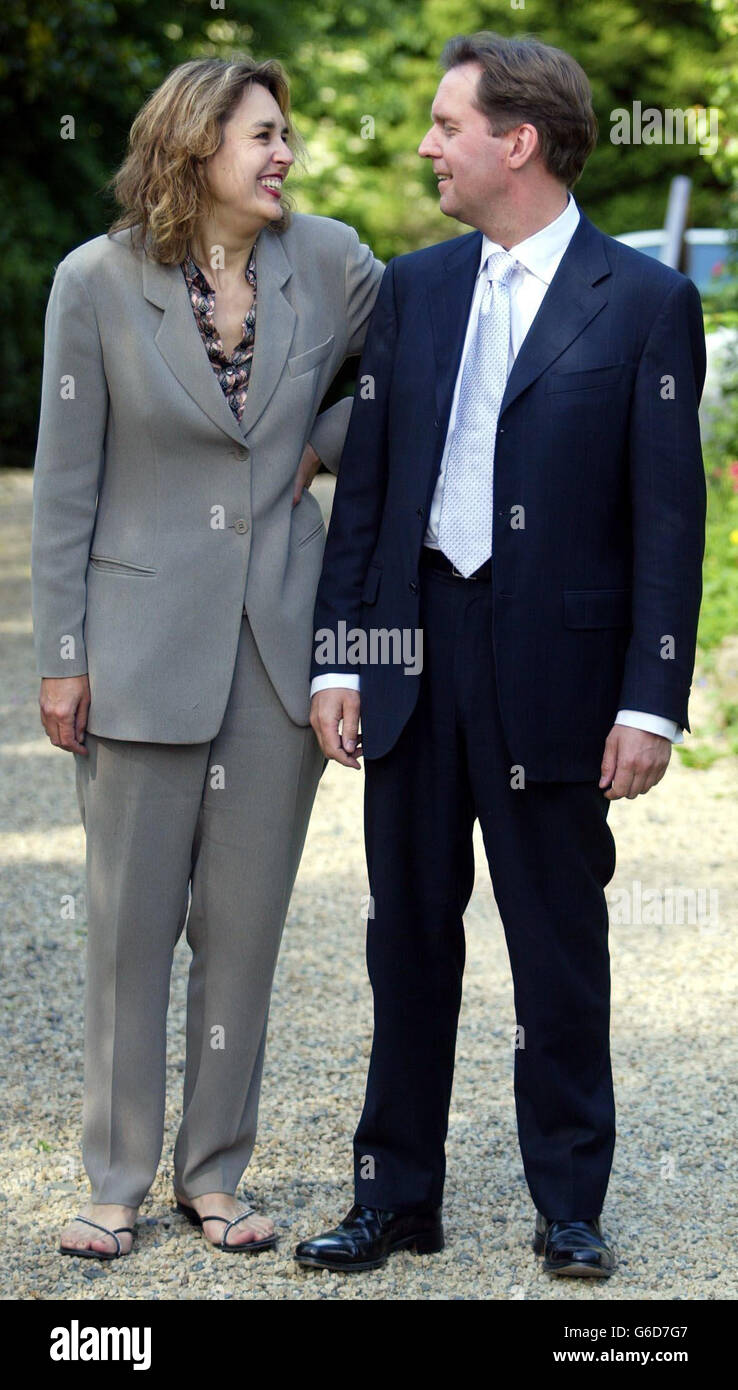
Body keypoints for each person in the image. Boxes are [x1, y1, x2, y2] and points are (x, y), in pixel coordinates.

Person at [297, 31, 706, 1277]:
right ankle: (394, 1196)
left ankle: (571, 1204)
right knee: (404, 940)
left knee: (557, 950)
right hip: (414, 656)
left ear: (516, 141)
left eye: (445, 124)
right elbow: (364, 496)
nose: (425, 145)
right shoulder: (414, 291)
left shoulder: (645, 303)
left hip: (562, 683)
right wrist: (339, 662)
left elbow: (669, 525)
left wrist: (652, 699)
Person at [31, 55, 383, 1259]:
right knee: (129, 927)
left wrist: (323, 446)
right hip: (138, 651)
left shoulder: (330, 262)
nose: (286, 156)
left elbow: (406, 373)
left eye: (285, 137)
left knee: (241, 932)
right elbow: (65, 485)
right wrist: (61, 653)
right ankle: (116, 1178)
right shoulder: (95, 281)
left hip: (276, 651)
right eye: (264, 137)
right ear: (193, 149)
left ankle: (215, 1176)